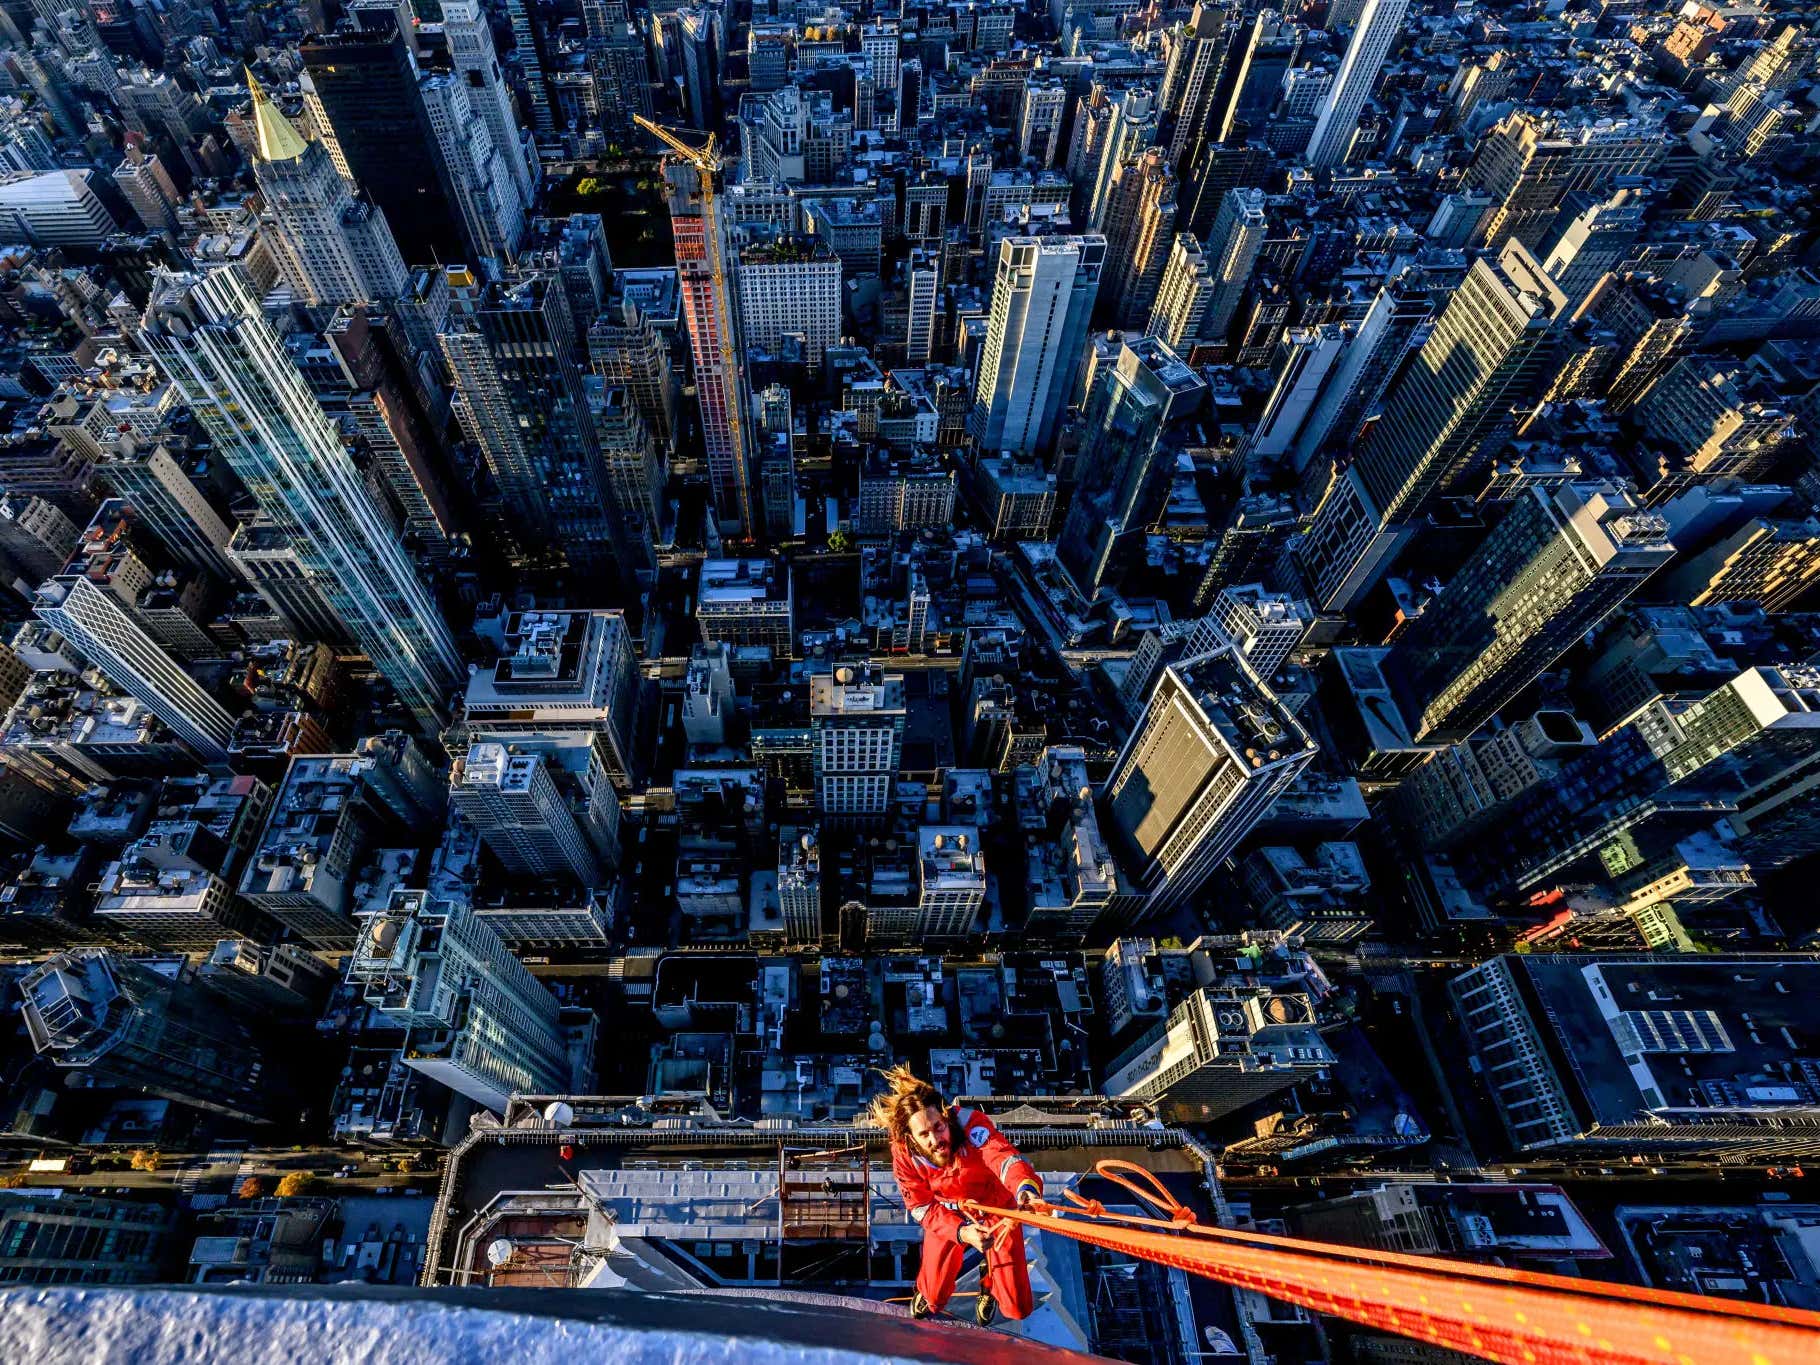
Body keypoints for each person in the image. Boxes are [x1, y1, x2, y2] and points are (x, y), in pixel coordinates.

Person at [870, 1064, 1041, 1326]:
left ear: (946, 1117)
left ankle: (990, 1281)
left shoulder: (973, 1127)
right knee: (934, 1293)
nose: (935, 1140)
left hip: (995, 1208)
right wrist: (961, 1232)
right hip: (947, 1213)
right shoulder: (904, 1154)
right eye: (924, 1134)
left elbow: (1002, 1158)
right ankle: (927, 1294)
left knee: (1018, 1308)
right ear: (911, 1138)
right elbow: (921, 1206)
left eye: (938, 1127)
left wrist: (1024, 1186)